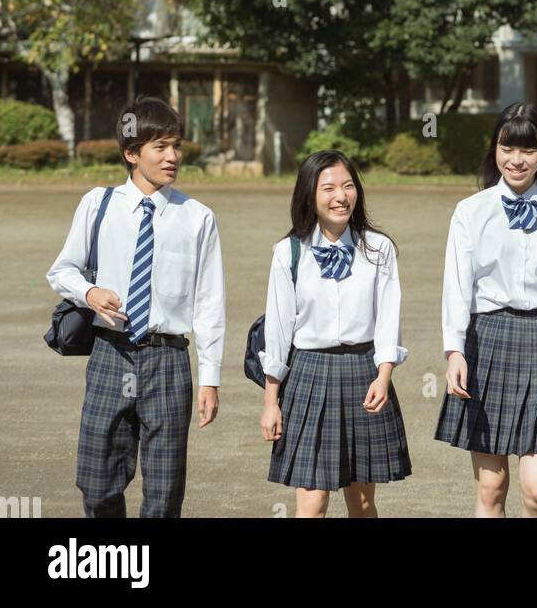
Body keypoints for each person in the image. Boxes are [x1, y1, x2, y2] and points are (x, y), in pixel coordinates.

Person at [46, 96, 225, 518]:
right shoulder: (98, 204)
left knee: (164, 493)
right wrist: (89, 293)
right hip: (111, 354)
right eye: (160, 147)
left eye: (176, 146)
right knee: (97, 483)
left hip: (169, 361)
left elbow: (210, 303)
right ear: (131, 153)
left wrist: (210, 378)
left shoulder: (197, 217)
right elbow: (62, 271)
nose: (172, 156)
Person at [434, 102, 537, 518]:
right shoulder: (471, 211)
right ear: (495, 150)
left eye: (528, 149)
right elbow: (456, 285)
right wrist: (454, 350)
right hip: (485, 342)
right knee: (491, 488)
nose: (516, 159)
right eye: (507, 148)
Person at [259, 150, 411, 517]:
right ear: (309, 194)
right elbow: (277, 330)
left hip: (364, 375)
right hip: (308, 376)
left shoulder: (378, 248)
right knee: (312, 504)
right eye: (328, 188)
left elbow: (389, 319)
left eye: (347, 186)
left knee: (361, 502)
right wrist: (270, 402)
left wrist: (384, 375)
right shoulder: (289, 252)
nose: (340, 196)